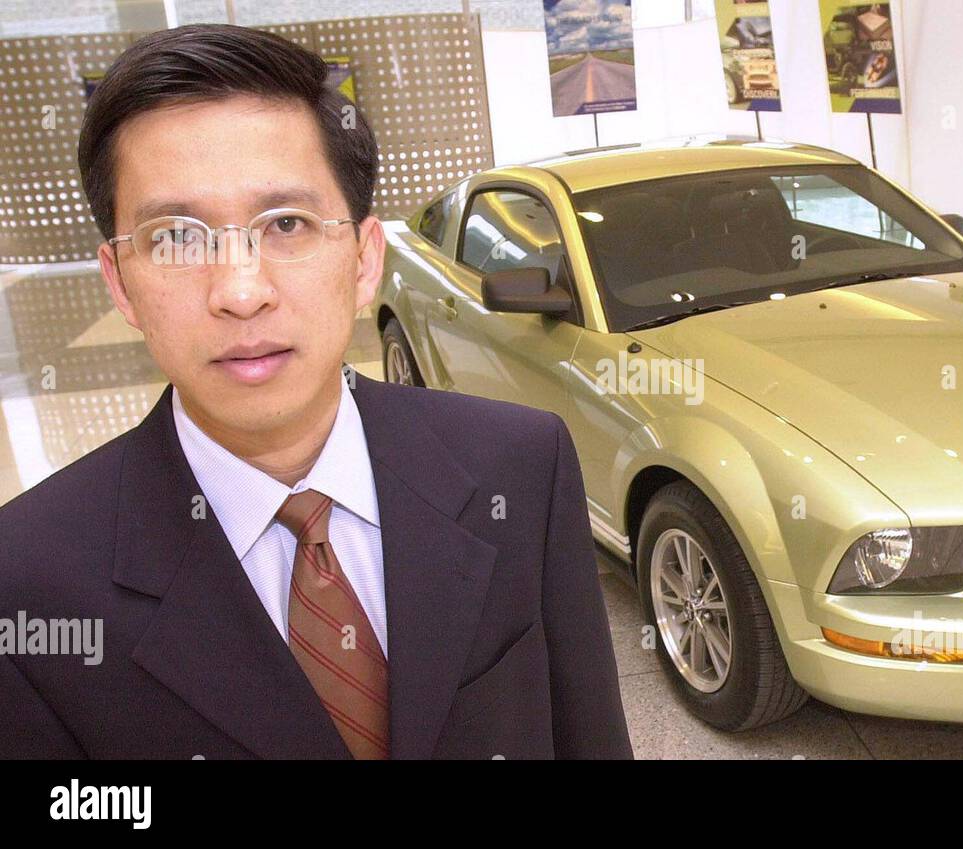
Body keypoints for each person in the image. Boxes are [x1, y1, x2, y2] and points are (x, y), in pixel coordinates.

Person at [0, 23, 633, 759]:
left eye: (287, 223)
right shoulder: (28, 579)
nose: (240, 291)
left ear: (365, 260)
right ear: (120, 283)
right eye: (176, 236)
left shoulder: (519, 463)